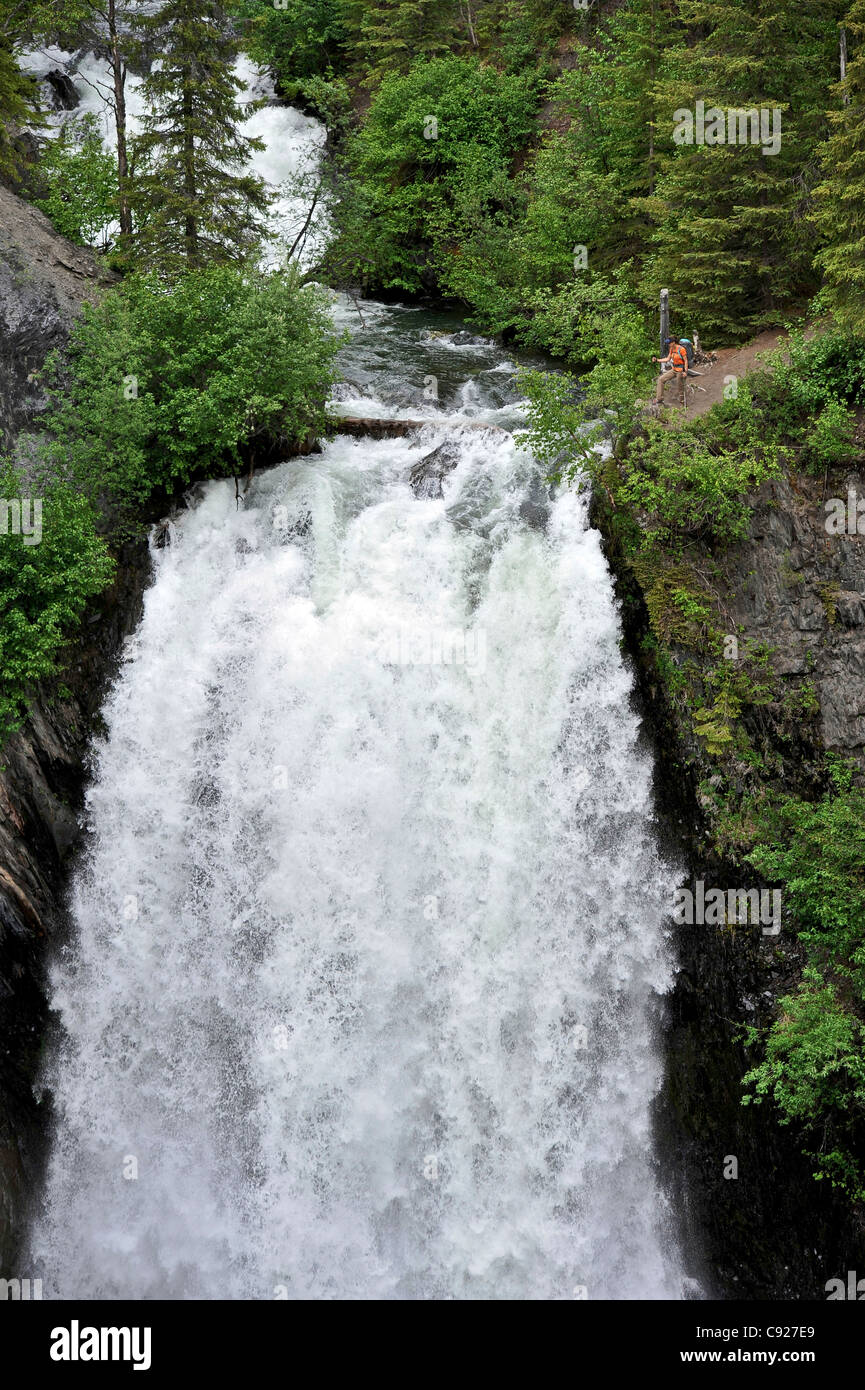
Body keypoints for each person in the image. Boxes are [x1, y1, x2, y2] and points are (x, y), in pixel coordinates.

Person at [652, 337, 689, 405]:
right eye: (668, 343)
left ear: (673, 342)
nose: (668, 344)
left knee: (680, 386)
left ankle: (683, 403)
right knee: (661, 379)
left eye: (669, 343)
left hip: (680, 370)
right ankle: (659, 398)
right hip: (674, 369)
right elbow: (667, 359)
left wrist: (685, 372)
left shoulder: (681, 349)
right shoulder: (671, 349)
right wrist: (657, 360)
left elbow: (686, 361)